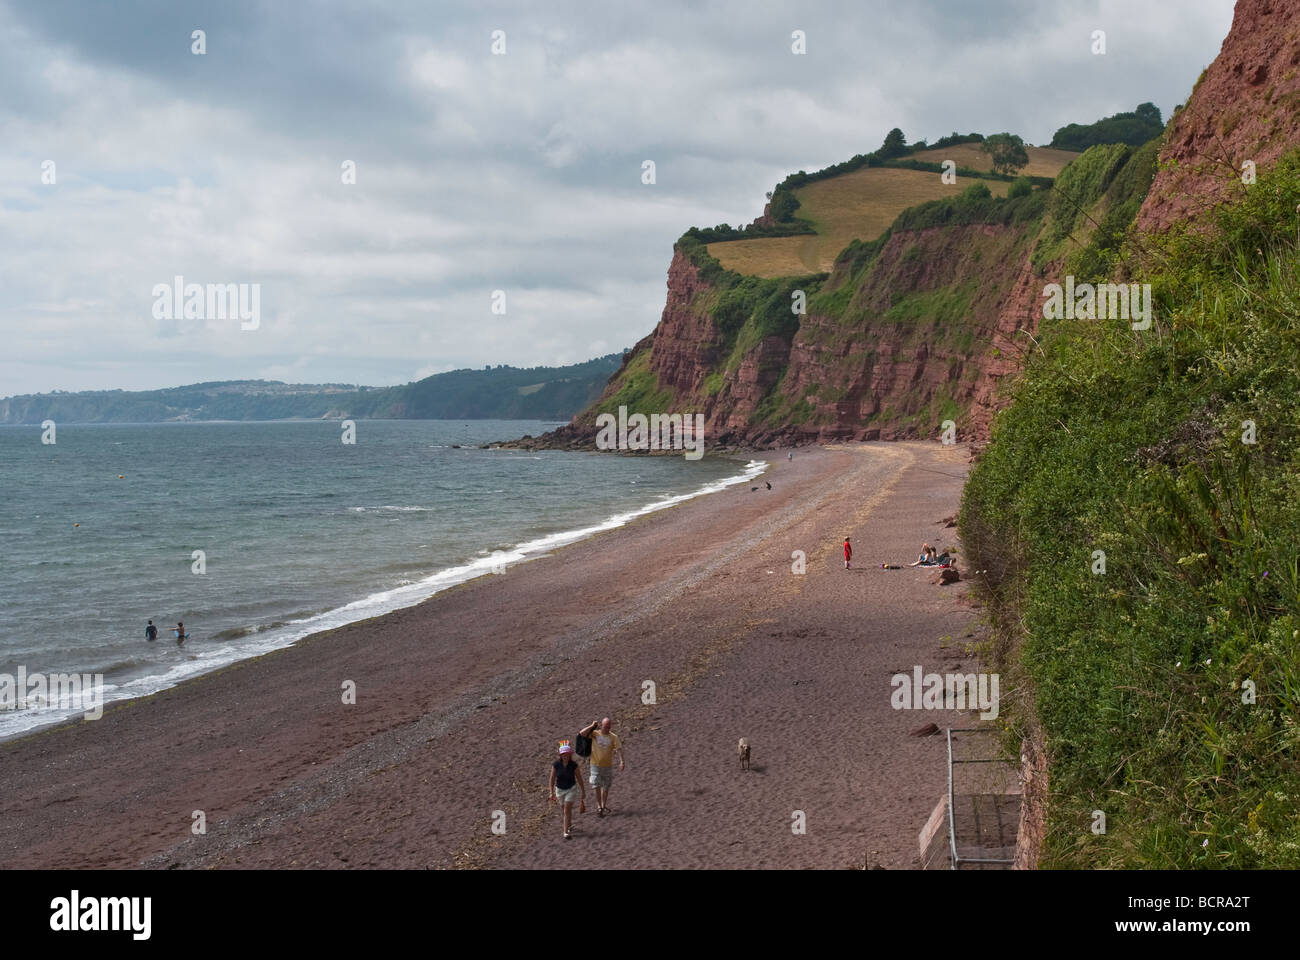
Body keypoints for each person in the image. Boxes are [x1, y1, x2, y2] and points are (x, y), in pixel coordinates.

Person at [579, 717, 625, 816]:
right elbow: (582, 733)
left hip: (607, 766)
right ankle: (599, 806)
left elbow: (619, 749)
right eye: (605, 727)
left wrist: (622, 761)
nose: (607, 729)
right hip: (595, 764)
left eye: (609, 727)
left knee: (606, 786)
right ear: (601, 726)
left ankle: (603, 805)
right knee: (596, 784)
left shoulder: (613, 737)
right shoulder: (595, 733)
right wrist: (592, 726)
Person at [549, 741, 586, 839]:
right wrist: (551, 792)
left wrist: (583, 791)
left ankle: (565, 832)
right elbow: (552, 779)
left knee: (566, 810)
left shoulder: (574, 765)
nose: (565, 756)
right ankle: (569, 825)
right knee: (564, 810)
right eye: (563, 754)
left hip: (571, 789)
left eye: (567, 754)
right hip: (559, 790)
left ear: (570, 755)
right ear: (560, 755)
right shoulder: (556, 765)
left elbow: (579, 778)